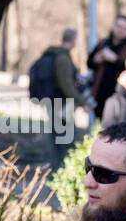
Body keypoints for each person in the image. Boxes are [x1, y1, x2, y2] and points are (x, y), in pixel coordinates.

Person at [30, 28, 86, 171]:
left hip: (54, 103)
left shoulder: (54, 54)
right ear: (74, 41)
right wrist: (82, 102)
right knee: (64, 140)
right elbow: (66, 85)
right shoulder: (62, 58)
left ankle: (58, 171)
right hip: (60, 105)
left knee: (58, 138)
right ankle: (60, 172)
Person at [88, 14, 126, 119]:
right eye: (119, 26)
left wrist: (115, 60)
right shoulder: (102, 43)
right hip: (99, 96)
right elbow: (89, 63)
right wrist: (95, 60)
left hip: (122, 97)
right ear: (113, 26)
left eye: (125, 28)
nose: (121, 30)